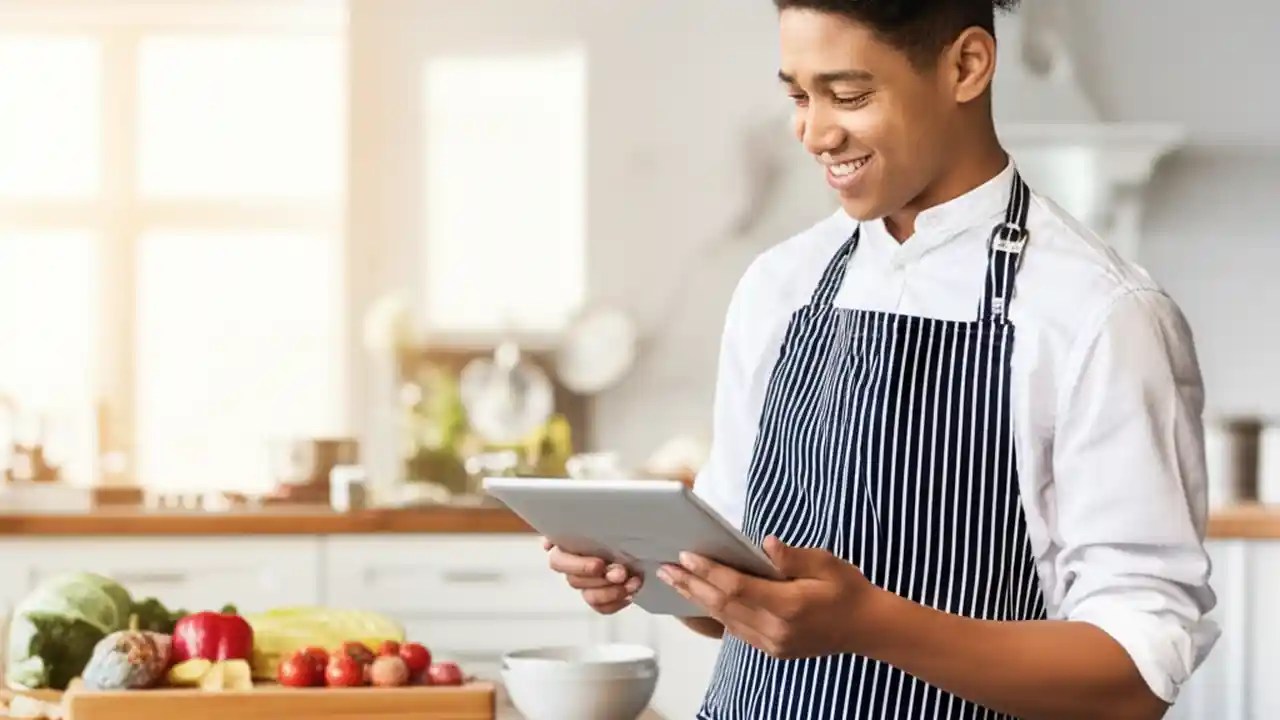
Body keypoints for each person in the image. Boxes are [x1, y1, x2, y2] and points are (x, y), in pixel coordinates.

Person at [543, 1, 1218, 717]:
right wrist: (651, 566)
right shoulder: (780, 286)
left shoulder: (1101, 314)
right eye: (799, 97)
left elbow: (1136, 676)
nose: (814, 133)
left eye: (848, 95)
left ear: (967, 66)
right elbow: (737, 602)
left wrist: (869, 623)